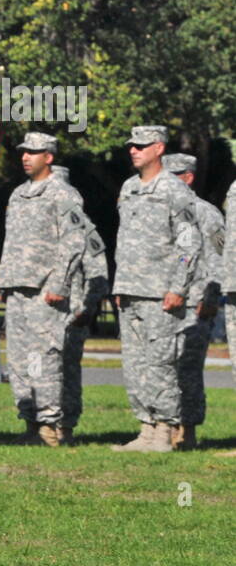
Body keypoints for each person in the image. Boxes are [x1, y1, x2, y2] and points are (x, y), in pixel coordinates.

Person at [110, 126, 201, 453]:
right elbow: (124, 240)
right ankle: (145, 429)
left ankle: (164, 430)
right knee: (135, 365)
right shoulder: (130, 187)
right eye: (131, 145)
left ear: (158, 148)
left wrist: (179, 286)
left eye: (141, 145)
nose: (133, 150)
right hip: (131, 291)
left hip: (161, 293)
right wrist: (120, 282)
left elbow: (189, 243)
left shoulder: (174, 190)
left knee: (161, 364)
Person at [0, 133, 88, 446]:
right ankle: (30, 421)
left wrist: (60, 283)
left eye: (33, 152)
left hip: (45, 291)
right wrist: (3, 281)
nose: (25, 157)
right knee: (20, 360)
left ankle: (49, 425)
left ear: (48, 157)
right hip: (18, 288)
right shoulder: (19, 194)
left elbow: (74, 241)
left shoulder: (64, 194)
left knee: (43, 358)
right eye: (23, 152)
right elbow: (12, 242)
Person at [162, 153, 222, 449]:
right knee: (162, 367)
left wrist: (211, 297)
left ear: (188, 177)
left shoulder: (205, 212)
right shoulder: (162, 210)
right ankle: (164, 427)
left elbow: (219, 256)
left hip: (195, 302)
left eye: (172, 176)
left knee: (188, 368)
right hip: (164, 301)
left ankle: (187, 431)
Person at [51, 166, 109, 439]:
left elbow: (98, 271)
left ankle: (66, 424)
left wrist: (88, 308)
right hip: (43, 311)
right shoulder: (41, 224)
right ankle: (42, 422)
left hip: (72, 312)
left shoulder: (85, 230)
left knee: (67, 370)